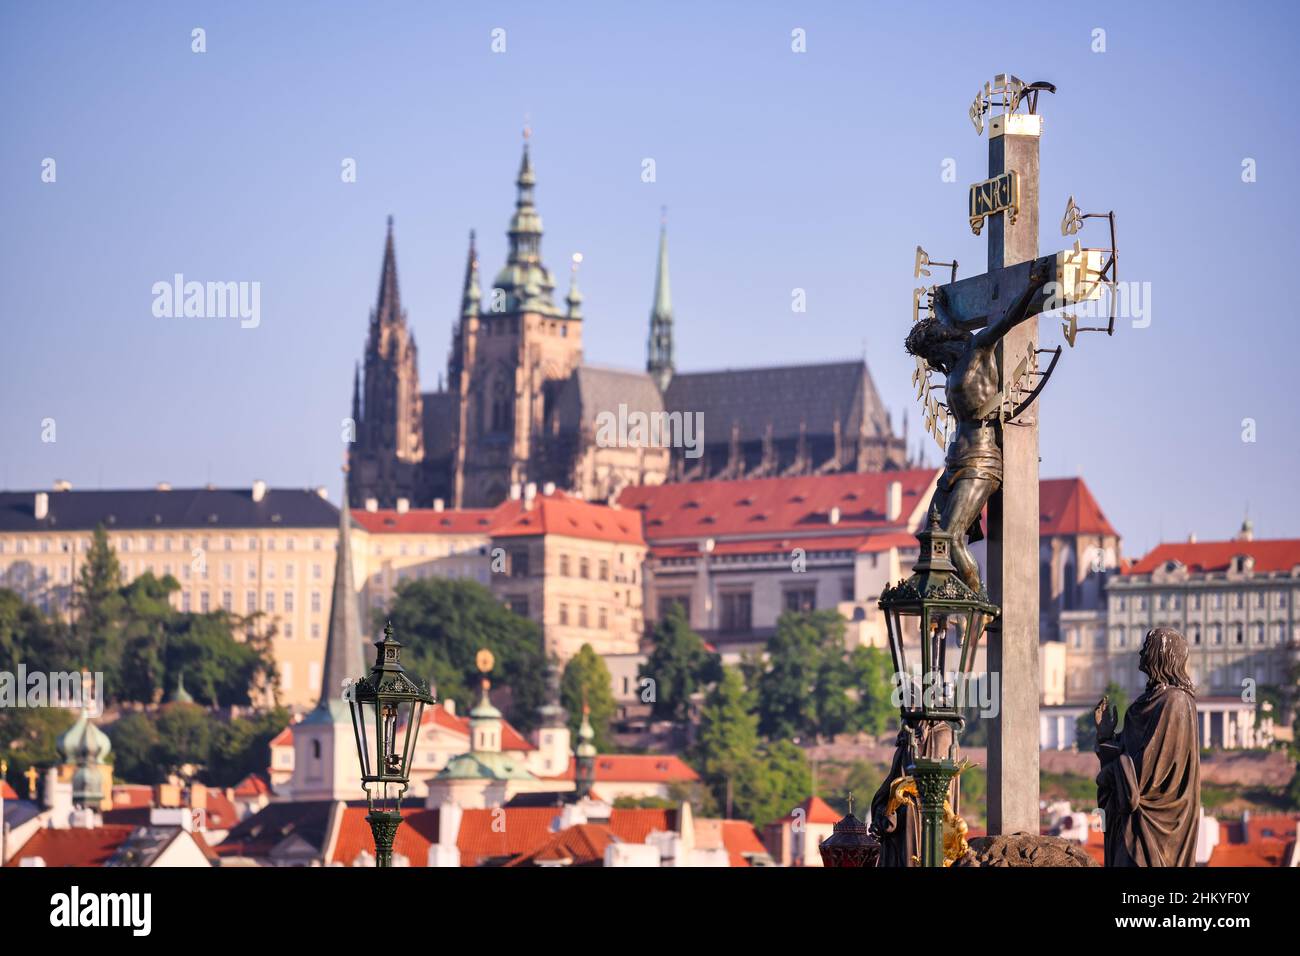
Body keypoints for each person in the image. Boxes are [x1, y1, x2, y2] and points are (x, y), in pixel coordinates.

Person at [904, 260, 1051, 592]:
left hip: (982, 459)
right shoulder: (953, 365)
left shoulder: (979, 347)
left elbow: (1009, 318)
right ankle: (943, 602)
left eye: (931, 351)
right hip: (955, 462)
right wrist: (940, 302)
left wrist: (1031, 286)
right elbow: (943, 319)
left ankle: (977, 604)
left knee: (952, 538)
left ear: (942, 341)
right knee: (932, 540)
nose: (930, 361)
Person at [1094, 627, 1201, 866]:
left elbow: (1146, 776)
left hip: (1156, 825)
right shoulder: (1144, 704)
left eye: (1148, 647)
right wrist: (1105, 739)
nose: (1141, 652)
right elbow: (1128, 761)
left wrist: (1110, 774)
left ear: (1162, 655)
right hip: (1132, 822)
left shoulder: (1176, 702)